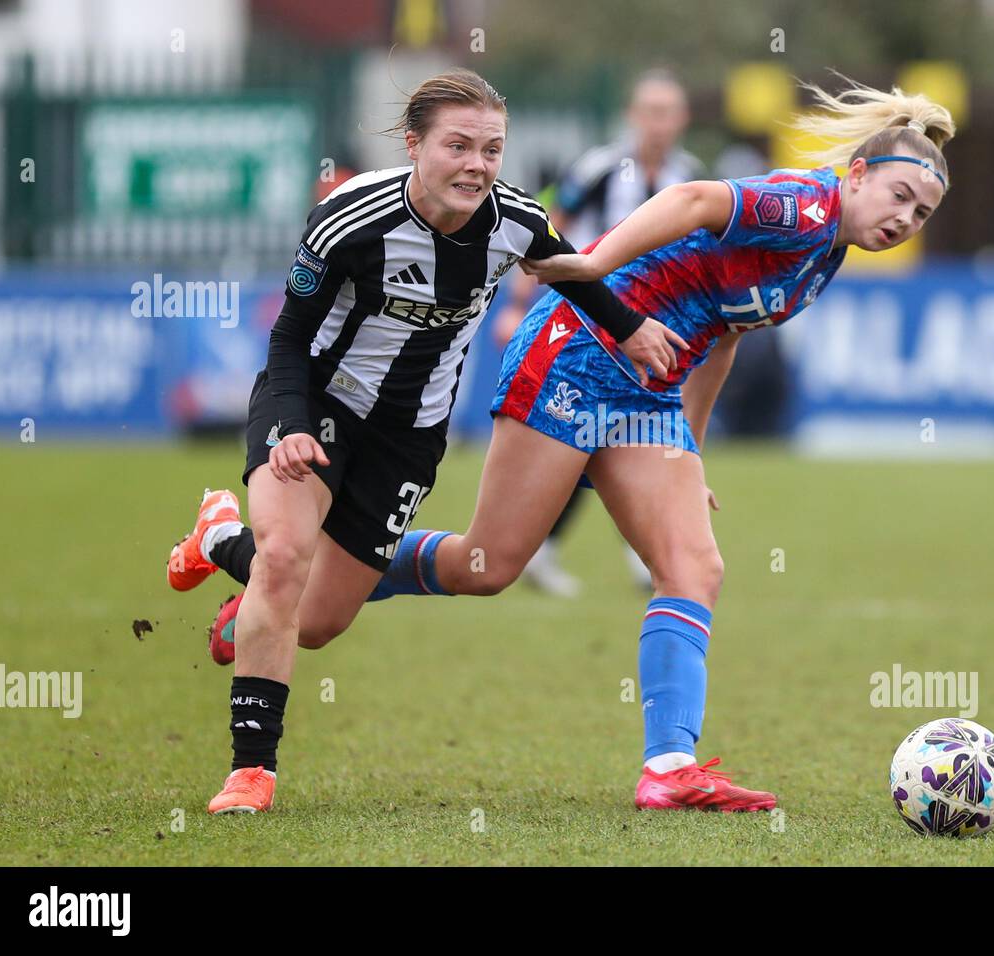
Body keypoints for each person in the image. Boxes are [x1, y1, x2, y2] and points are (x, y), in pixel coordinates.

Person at [201, 78, 954, 812]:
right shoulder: (804, 205)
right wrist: (594, 264)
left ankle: (668, 767)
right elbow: (694, 200)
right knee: (486, 566)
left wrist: (690, 453)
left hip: (650, 387)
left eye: (921, 213)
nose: (905, 219)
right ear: (857, 175)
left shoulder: (826, 252)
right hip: (580, 351)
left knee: (695, 565)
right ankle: (245, 552)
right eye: (899, 197)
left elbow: (725, 334)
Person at [165, 68, 686, 815]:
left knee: (314, 622)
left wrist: (630, 328)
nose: (477, 164)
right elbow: (287, 338)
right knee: (282, 559)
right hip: (317, 404)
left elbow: (570, 269)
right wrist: (297, 426)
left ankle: (218, 539)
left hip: (409, 437)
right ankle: (252, 772)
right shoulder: (350, 218)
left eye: (493, 148)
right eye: (459, 146)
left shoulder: (513, 221)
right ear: (415, 145)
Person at [493, 68, 706, 596]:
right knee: (586, 433)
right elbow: (544, 226)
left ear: (682, 119)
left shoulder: (693, 176)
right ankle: (568, 547)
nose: (659, 123)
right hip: (589, 320)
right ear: (633, 116)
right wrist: (516, 306)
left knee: (637, 430)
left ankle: (643, 549)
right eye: (649, 111)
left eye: (669, 112)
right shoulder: (600, 167)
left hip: (659, 324)